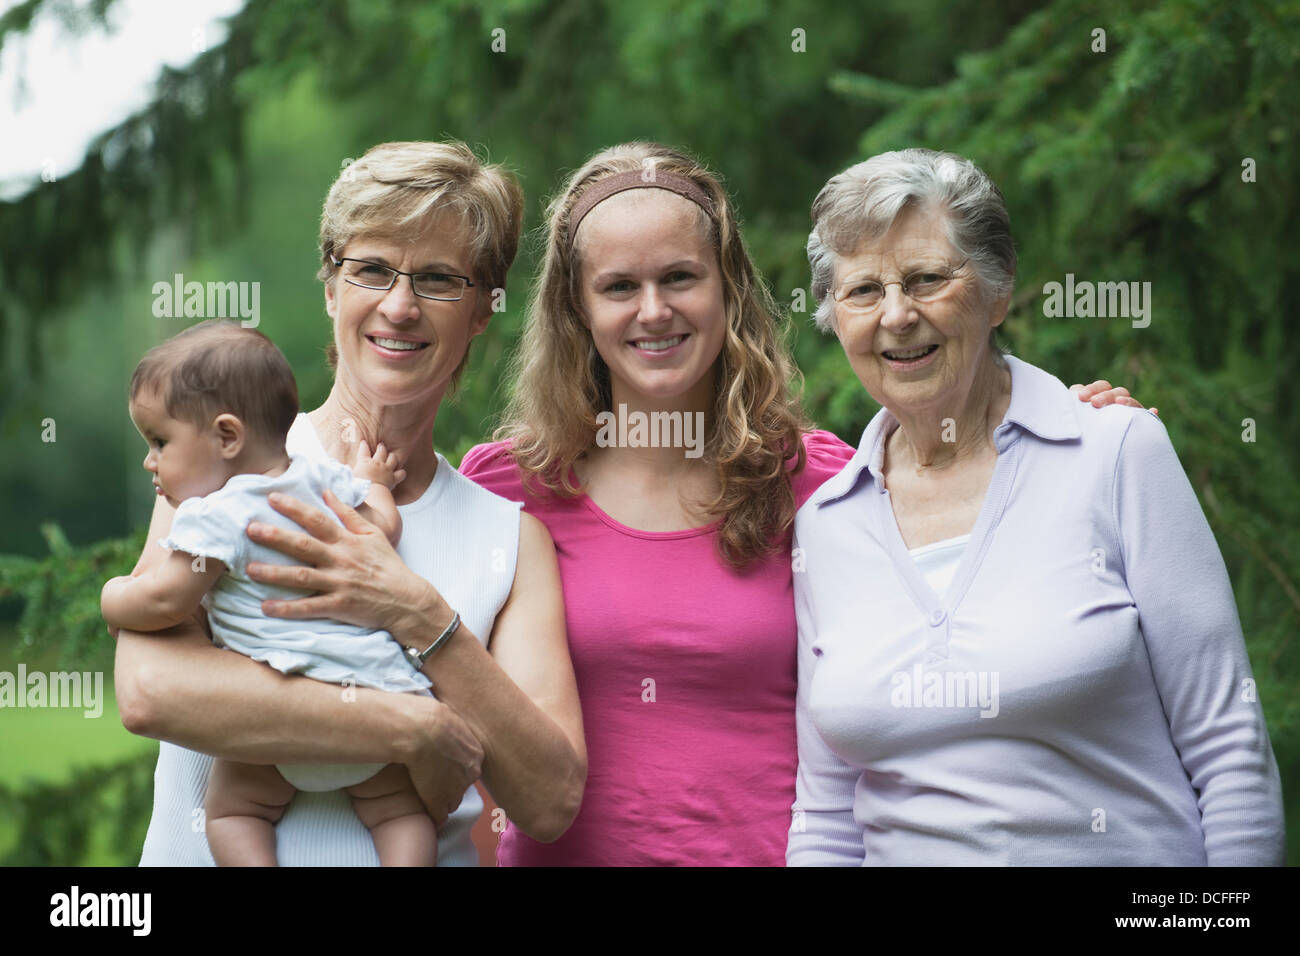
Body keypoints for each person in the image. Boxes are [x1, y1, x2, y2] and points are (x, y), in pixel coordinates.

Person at [459, 141, 1146, 865]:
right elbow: (459, 745)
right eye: (619, 286)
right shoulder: (505, 491)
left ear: (727, 288)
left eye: (681, 277)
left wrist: (1071, 435)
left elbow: (983, 601)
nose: (654, 311)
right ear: (577, 307)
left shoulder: (824, 485)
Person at [786, 148, 1285, 866]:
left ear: (997, 292)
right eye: (864, 290)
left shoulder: (1114, 452)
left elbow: (1228, 746)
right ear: (835, 315)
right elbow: (827, 818)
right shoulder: (827, 523)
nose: (897, 315)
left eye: (927, 278)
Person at [110, 141, 586, 866]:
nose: (399, 306)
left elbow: (549, 799)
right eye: (370, 269)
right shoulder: (224, 463)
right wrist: (412, 730)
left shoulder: (509, 540)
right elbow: (151, 690)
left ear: (482, 312)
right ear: (331, 286)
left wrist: (414, 612)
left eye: (437, 278)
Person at [102, 320, 443, 866]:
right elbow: (384, 527)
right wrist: (372, 479)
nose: (150, 461)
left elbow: (165, 602)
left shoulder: (214, 515)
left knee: (234, 815)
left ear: (228, 437)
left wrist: (114, 596)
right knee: (401, 815)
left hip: (281, 715)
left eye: (159, 442)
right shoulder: (319, 478)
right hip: (376, 705)